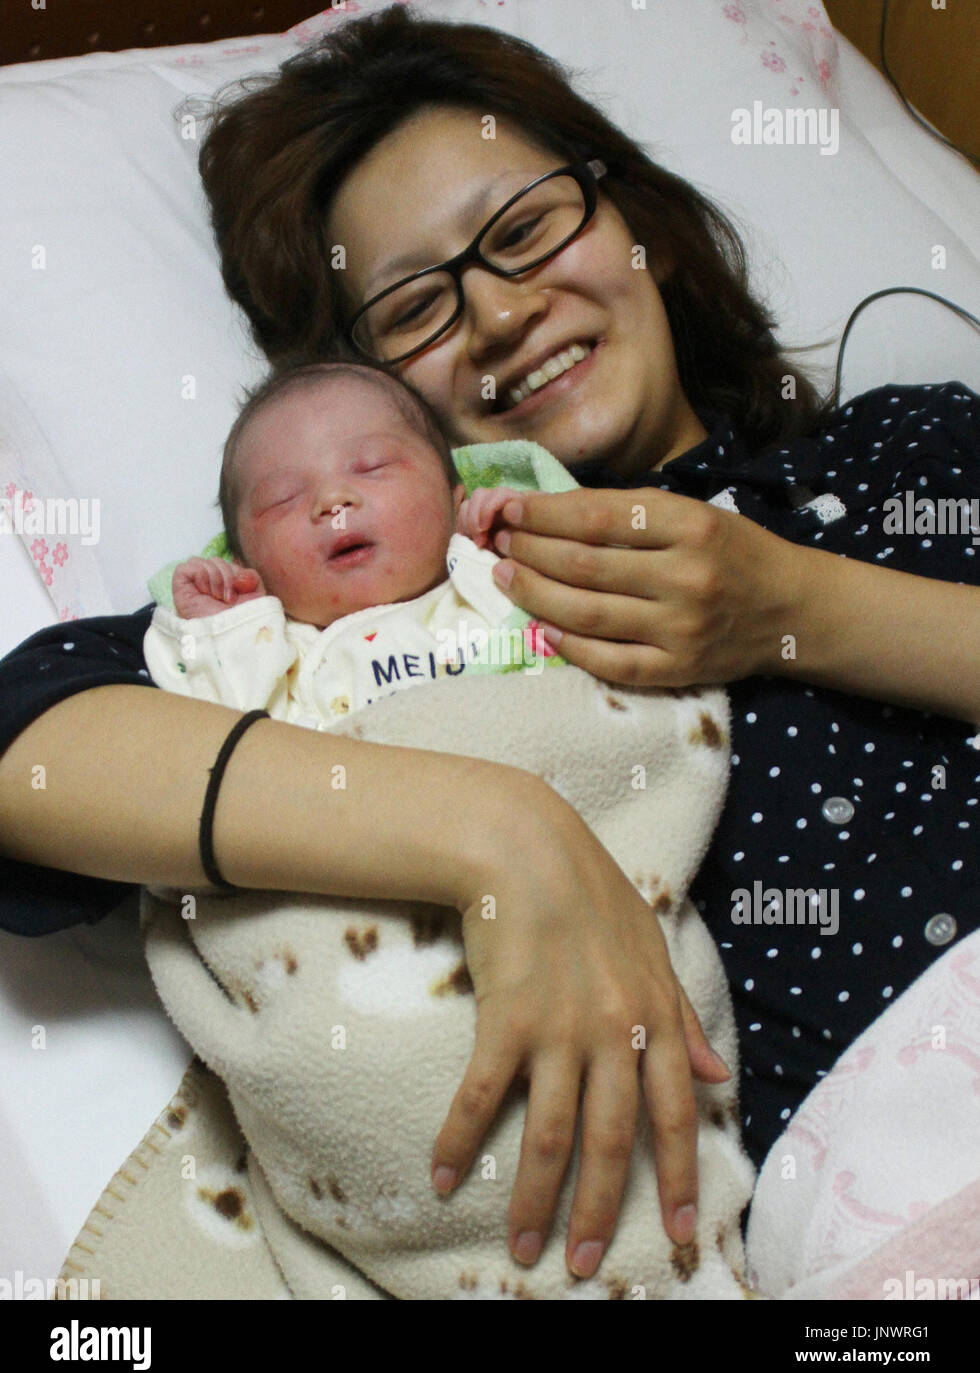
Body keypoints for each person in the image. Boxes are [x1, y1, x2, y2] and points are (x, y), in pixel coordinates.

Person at [0, 4, 977, 1289]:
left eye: (524, 231)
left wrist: (792, 606)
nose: (503, 312)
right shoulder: (375, 613)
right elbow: (35, 754)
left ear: (638, 230)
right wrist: (498, 831)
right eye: (415, 307)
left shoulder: (897, 454)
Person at [151, 356, 560, 717]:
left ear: (456, 503)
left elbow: (574, 593)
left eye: (371, 466)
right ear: (243, 564)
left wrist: (503, 538)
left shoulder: (482, 577)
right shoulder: (279, 655)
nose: (333, 501)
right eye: (284, 499)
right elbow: (220, 735)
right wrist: (225, 629)